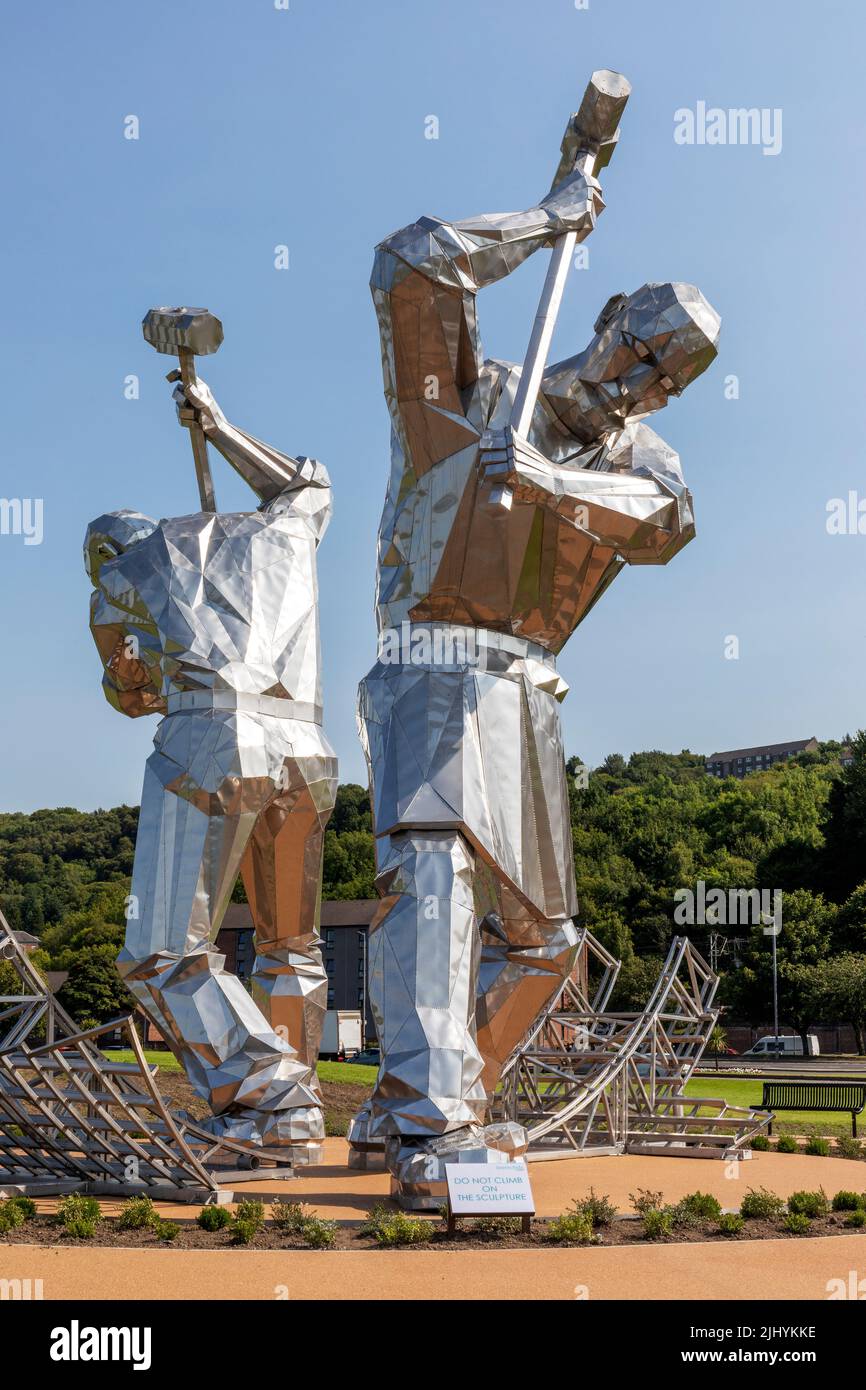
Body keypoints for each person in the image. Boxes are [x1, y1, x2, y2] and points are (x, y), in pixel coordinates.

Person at [356, 144, 720, 1188]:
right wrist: (542, 217)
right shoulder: (470, 397)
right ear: (607, 315)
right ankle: (434, 1125)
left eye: (669, 380)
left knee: (546, 942)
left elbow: (666, 522)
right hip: (430, 665)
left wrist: (551, 485)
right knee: (431, 877)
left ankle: (406, 1101)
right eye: (642, 351)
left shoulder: (632, 457)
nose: (645, 383)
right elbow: (411, 266)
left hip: (525, 691)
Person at [85, 375, 336, 1158]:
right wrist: (221, 426)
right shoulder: (273, 535)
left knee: (161, 951)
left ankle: (268, 1095)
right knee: (290, 947)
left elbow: (133, 693)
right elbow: (309, 485)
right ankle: (299, 1109)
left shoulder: (120, 578)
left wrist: (125, 659)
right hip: (307, 751)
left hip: (209, 745)